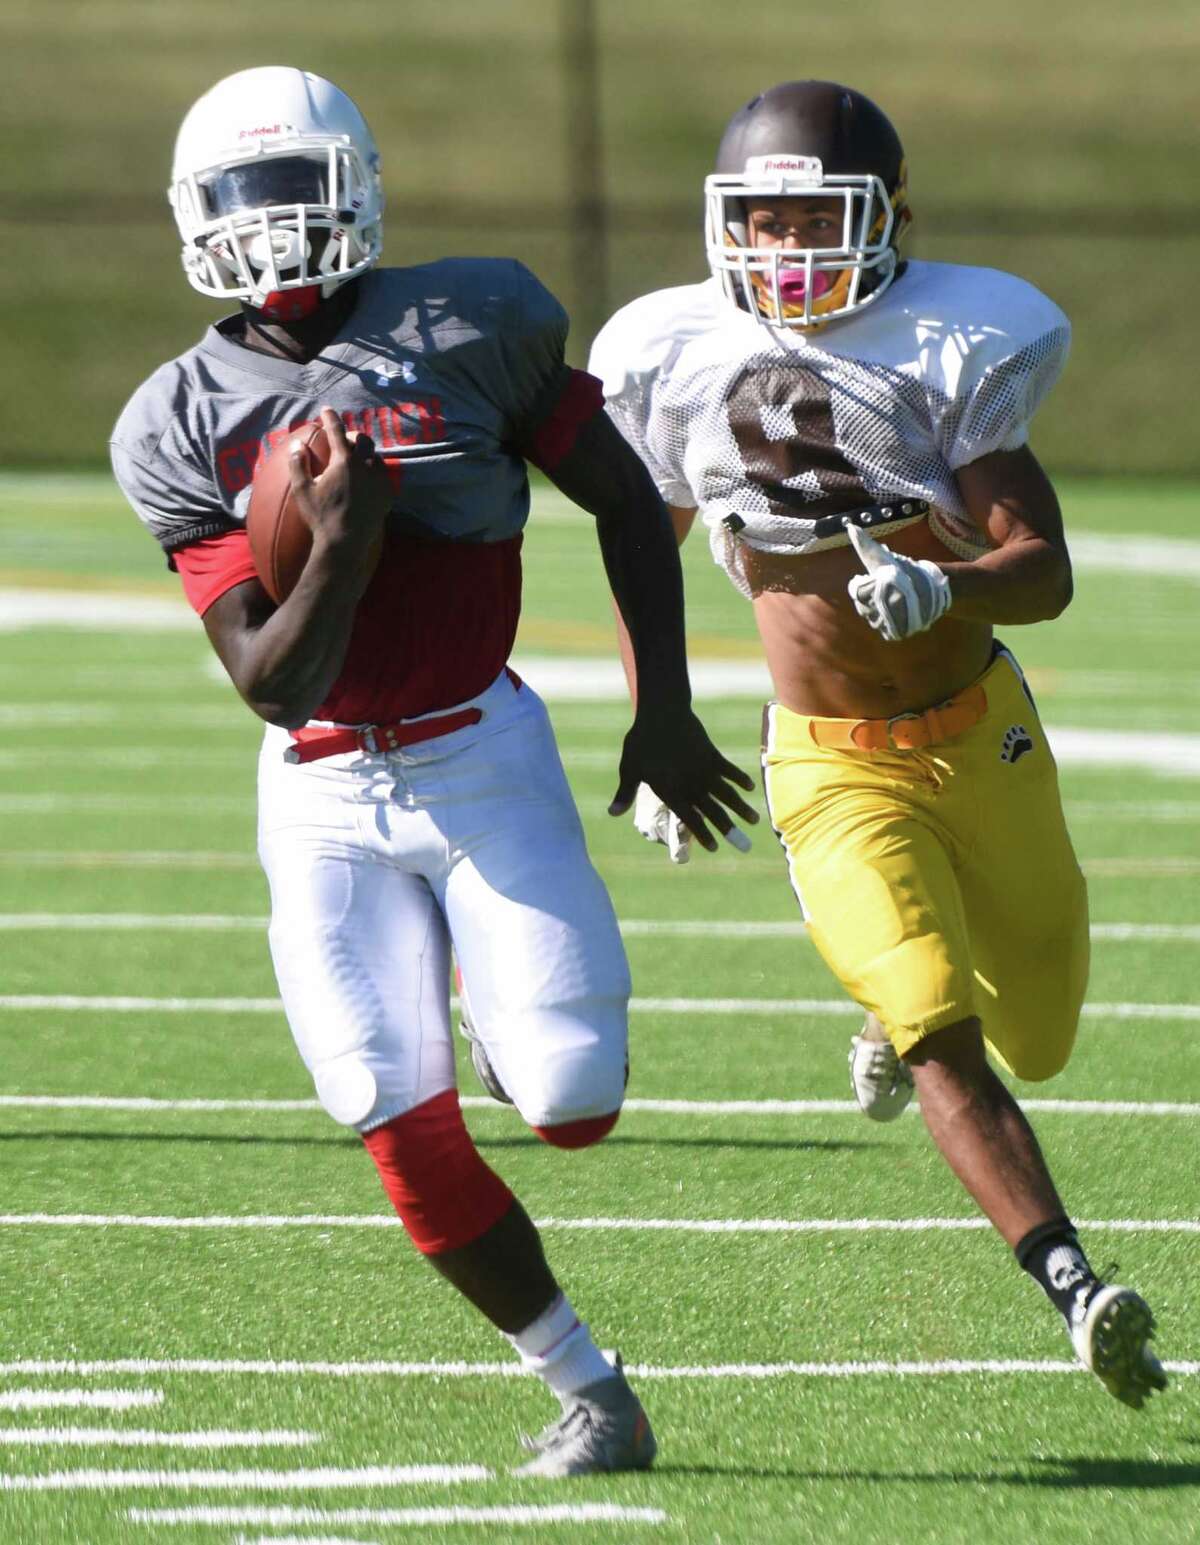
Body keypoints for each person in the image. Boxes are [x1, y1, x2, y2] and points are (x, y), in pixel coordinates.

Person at [110, 65, 759, 1477]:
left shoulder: (475, 321)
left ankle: (482, 978)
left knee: (574, 1100)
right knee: (384, 1111)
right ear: (192, 216)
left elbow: (627, 504)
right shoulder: (174, 415)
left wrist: (663, 711)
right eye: (245, 199)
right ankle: (592, 1388)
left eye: (297, 190)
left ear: (359, 186)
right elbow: (270, 679)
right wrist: (340, 542)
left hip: (479, 749)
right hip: (322, 785)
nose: (276, 228)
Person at [589, 79, 1167, 1408]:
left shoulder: (951, 341)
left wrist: (949, 584)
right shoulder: (673, 354)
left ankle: (896, 998)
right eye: (763, 221)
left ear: (889, 219)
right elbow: (642, 553)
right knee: (937, 1030)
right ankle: (1073, 1283)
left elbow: (1045, 564)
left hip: (981, 730)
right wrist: (659, 718)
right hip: (828, 756)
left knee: (1047, 1029)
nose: (786, 250)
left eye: (815, 218)